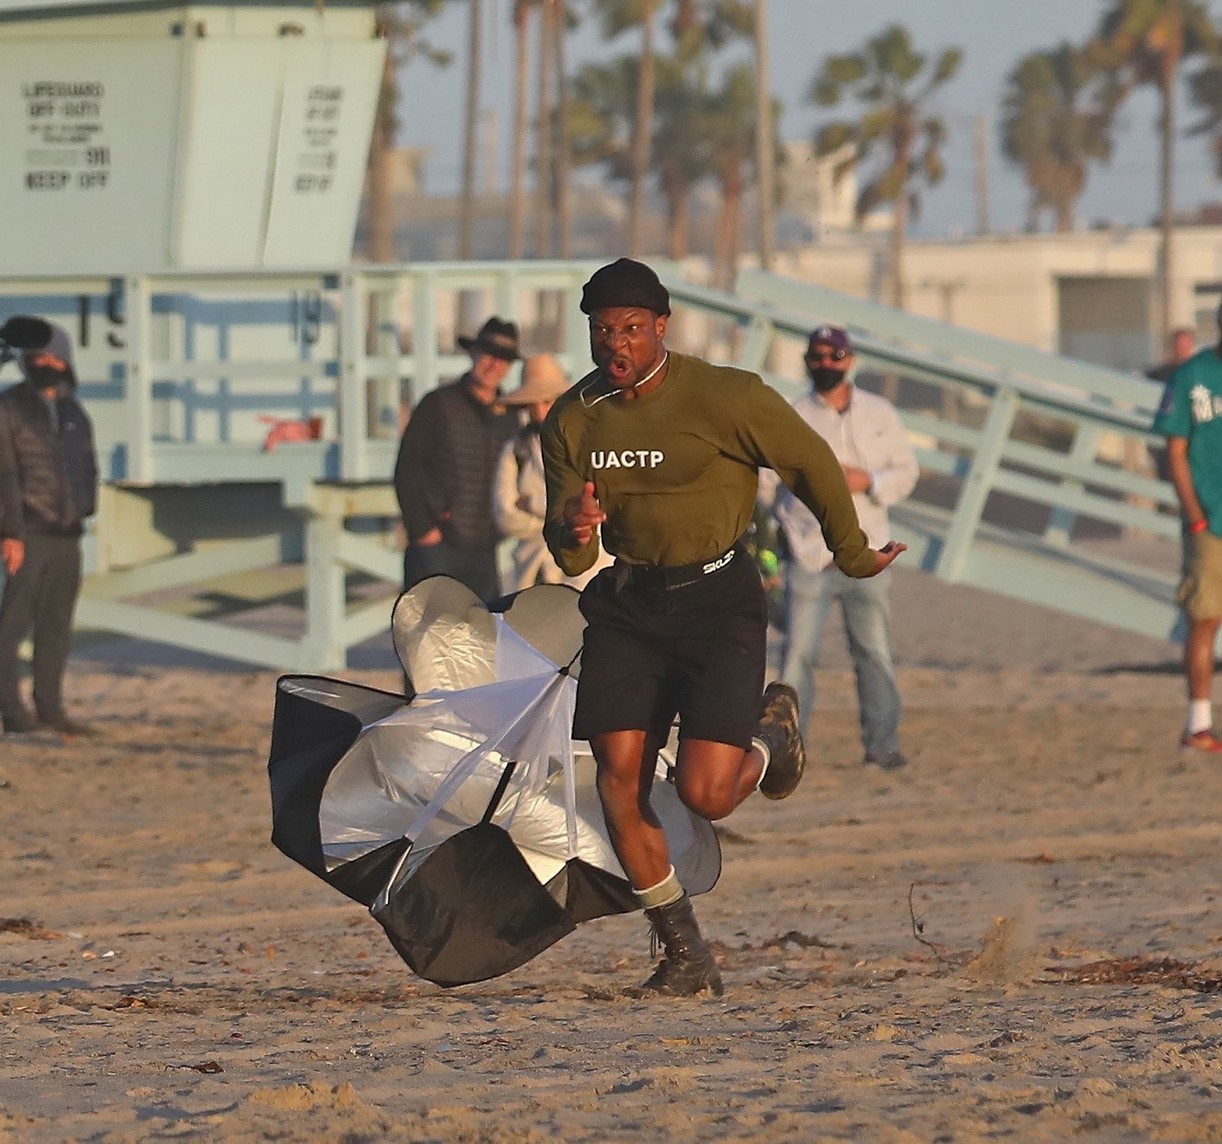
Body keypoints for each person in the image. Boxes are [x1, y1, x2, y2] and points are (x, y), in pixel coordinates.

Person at [540, 259, 905, 996]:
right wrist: (574, 527)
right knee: (618, 781)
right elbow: (570, 545)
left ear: (662, 328)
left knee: (707, 794)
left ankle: (771, 740)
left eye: (634, 330)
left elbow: (810, 463)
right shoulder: (573, 417)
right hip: (629, 605)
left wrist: (853, 552)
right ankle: (684, 953)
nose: (618, 343)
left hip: (718, 600)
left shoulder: (726, 395)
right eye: (604, 330)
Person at [760, 325, 919, 771]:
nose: (825, 363)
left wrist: (869, 481)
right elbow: (767, 486)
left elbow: (906, 471)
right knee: (797, 657)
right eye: (816, 356)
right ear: (806, 361)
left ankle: (882, 744)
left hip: (869, 554)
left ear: (850, 360)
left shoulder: (879, 413)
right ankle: (788, 750)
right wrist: (784, 538)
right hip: (810, 554)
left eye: (834, 355)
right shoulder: (792, 415)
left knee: (874, 653)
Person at [0, 319, 99, 736]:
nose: (44, 362)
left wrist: (84, 511)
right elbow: (4, 473)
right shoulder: (9, 407)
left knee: (56, 626)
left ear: (65, 360)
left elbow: (87, 468)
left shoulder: (75, 412)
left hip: (67, 534)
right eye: (36, 357)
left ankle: (50, 708)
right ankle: (11, 712)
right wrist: (11, 533)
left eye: (51, 356)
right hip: (30, 533)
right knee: (13, 625)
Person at [393, 317, 521, 601]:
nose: (494, 365)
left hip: (484, 552)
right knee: (427, 639)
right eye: (488, 354)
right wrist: (423, 530)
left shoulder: (511, 417)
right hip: (437, 548)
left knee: (481, 640)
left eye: (503, 360)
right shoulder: (437, 404)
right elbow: (406, 470)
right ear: (473, 353)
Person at [1152, 309, 1222, 752]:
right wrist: (1195, 512)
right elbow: (1174, 449)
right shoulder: (1193, 375)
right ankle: (1198, 724)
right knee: (1206, 617)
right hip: (1210, 518)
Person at [493, 353, 612, 593]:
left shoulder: (591, 443)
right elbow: (504, 516)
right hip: (532, 574)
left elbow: (599, 505)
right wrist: (557, 520)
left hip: (586, 573)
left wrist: (533, 504)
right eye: (532, 403)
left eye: (546, 402)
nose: (539, 411)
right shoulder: (516, 449)